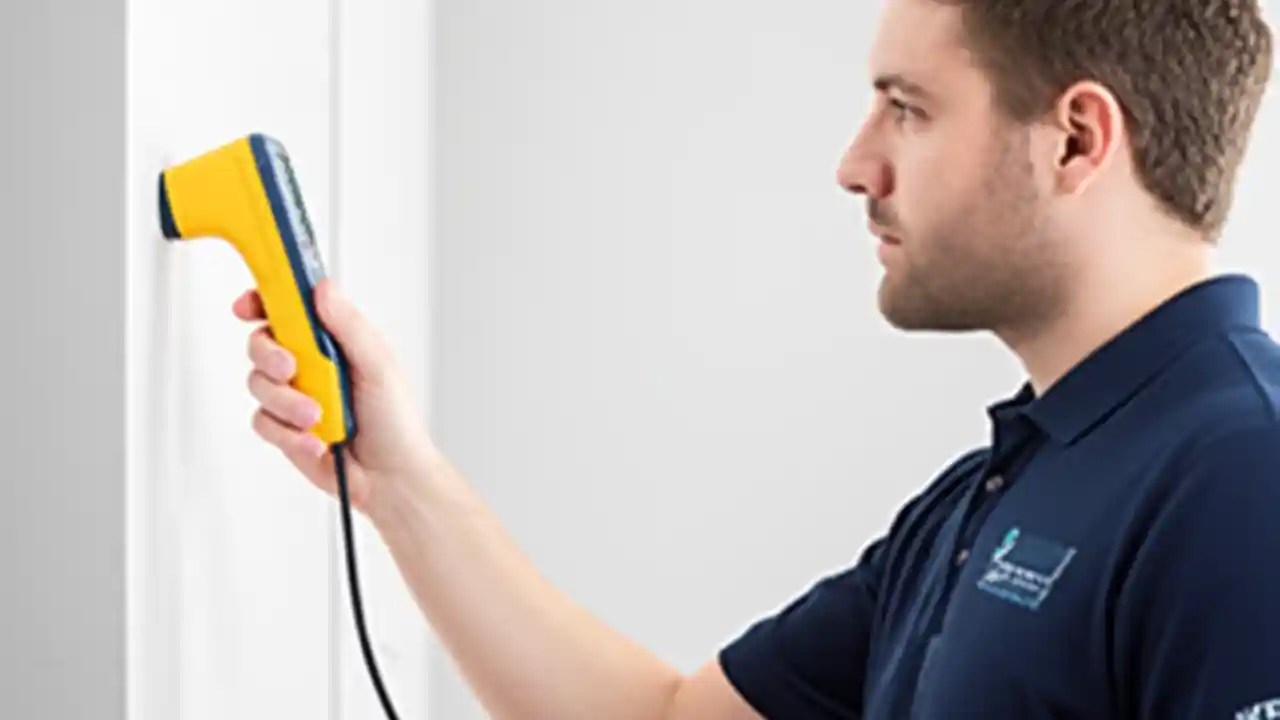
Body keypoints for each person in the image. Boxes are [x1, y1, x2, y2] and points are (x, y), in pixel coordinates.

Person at [233, 0, 1280, 717]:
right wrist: (398, 481)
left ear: (1074, 141)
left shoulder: (1242, 477)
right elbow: (667, 719)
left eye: (905, 108)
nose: (853, 162)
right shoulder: (1004, 488)